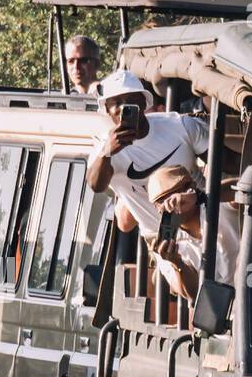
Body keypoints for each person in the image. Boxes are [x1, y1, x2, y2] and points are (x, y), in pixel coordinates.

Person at [86, 69, 208, 240]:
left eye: (131, 101)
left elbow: (223, 165)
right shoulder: (104, 148)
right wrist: (107, 152)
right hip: (163, 239)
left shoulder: (179, 125)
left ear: (143, 102)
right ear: (107, 109)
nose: (124, 108)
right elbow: (96, 185)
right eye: (117, 103)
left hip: (207, 224)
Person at [146, 165, 240, 301]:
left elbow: (249, 185)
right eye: (160, 201)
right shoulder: (164, 247)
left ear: (191, 186)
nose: (168, 205)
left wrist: (201, 196)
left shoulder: (218, 203)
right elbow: (194, 295)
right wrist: (178, 263)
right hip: (232, 313)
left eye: (173, 194)